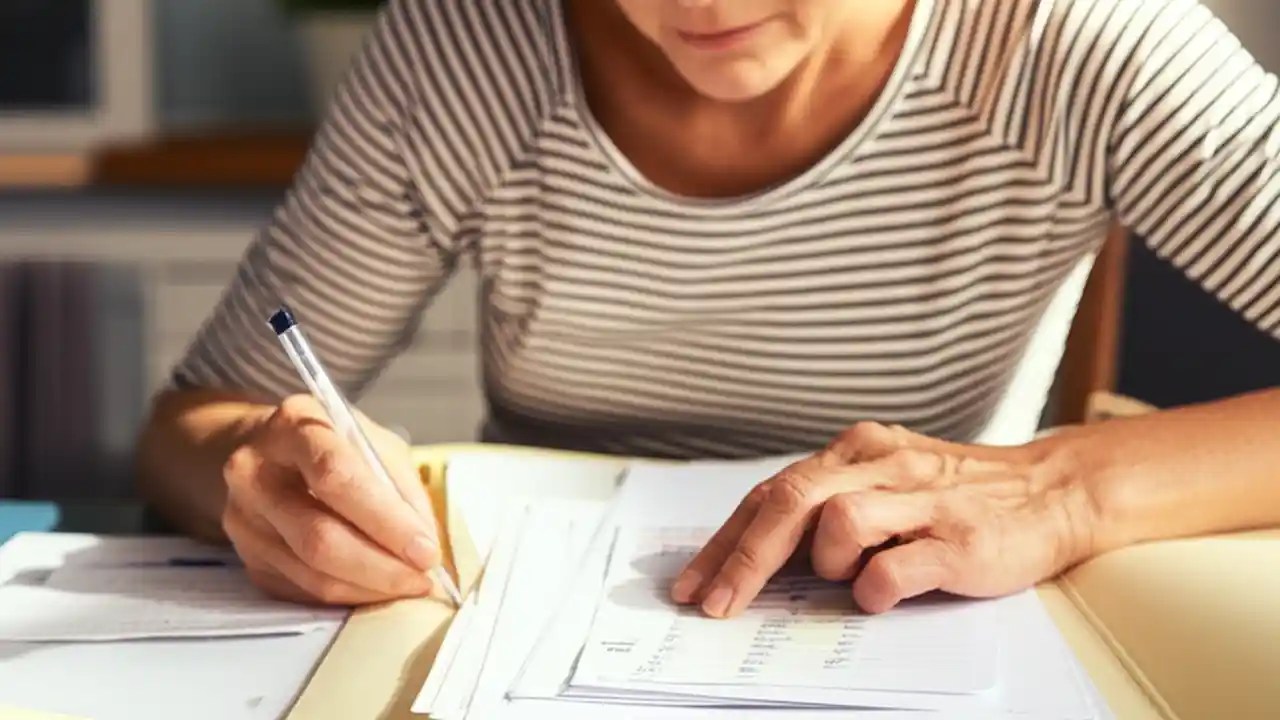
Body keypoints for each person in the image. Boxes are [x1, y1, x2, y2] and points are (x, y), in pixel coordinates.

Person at [136, 0, 1280, 614]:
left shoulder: (1070, 38)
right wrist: (258, 465)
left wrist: (1063, 487)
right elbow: (196, 418)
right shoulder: (466, 45)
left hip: (922, 629)